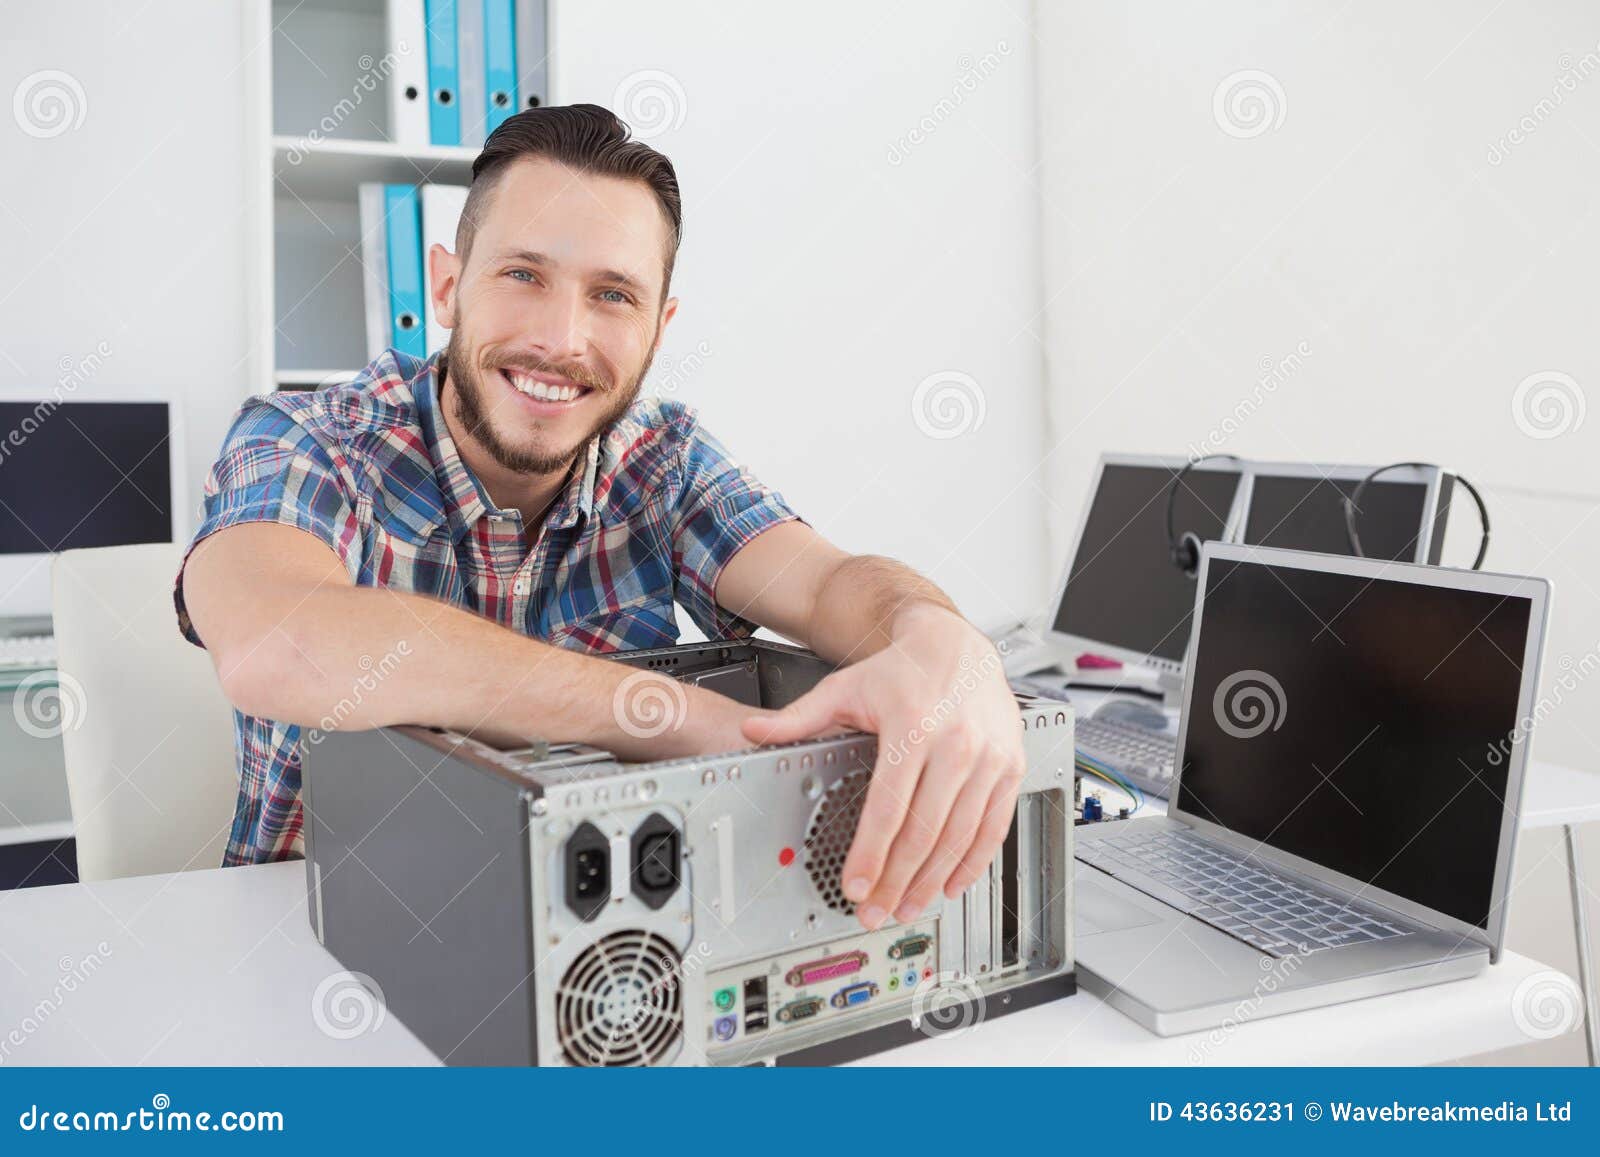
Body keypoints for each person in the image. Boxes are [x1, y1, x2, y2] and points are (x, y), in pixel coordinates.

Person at [176, 104, 1022, 932]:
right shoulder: (307, 439)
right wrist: (682, 719)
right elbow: (274, 643)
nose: (562, 338)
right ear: (447, 285)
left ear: (659, 328)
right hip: (315, 944)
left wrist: (939, 637)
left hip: (603, 951)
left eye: (614, 295)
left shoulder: (662, 461)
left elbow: (828, 582)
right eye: (523, 274)